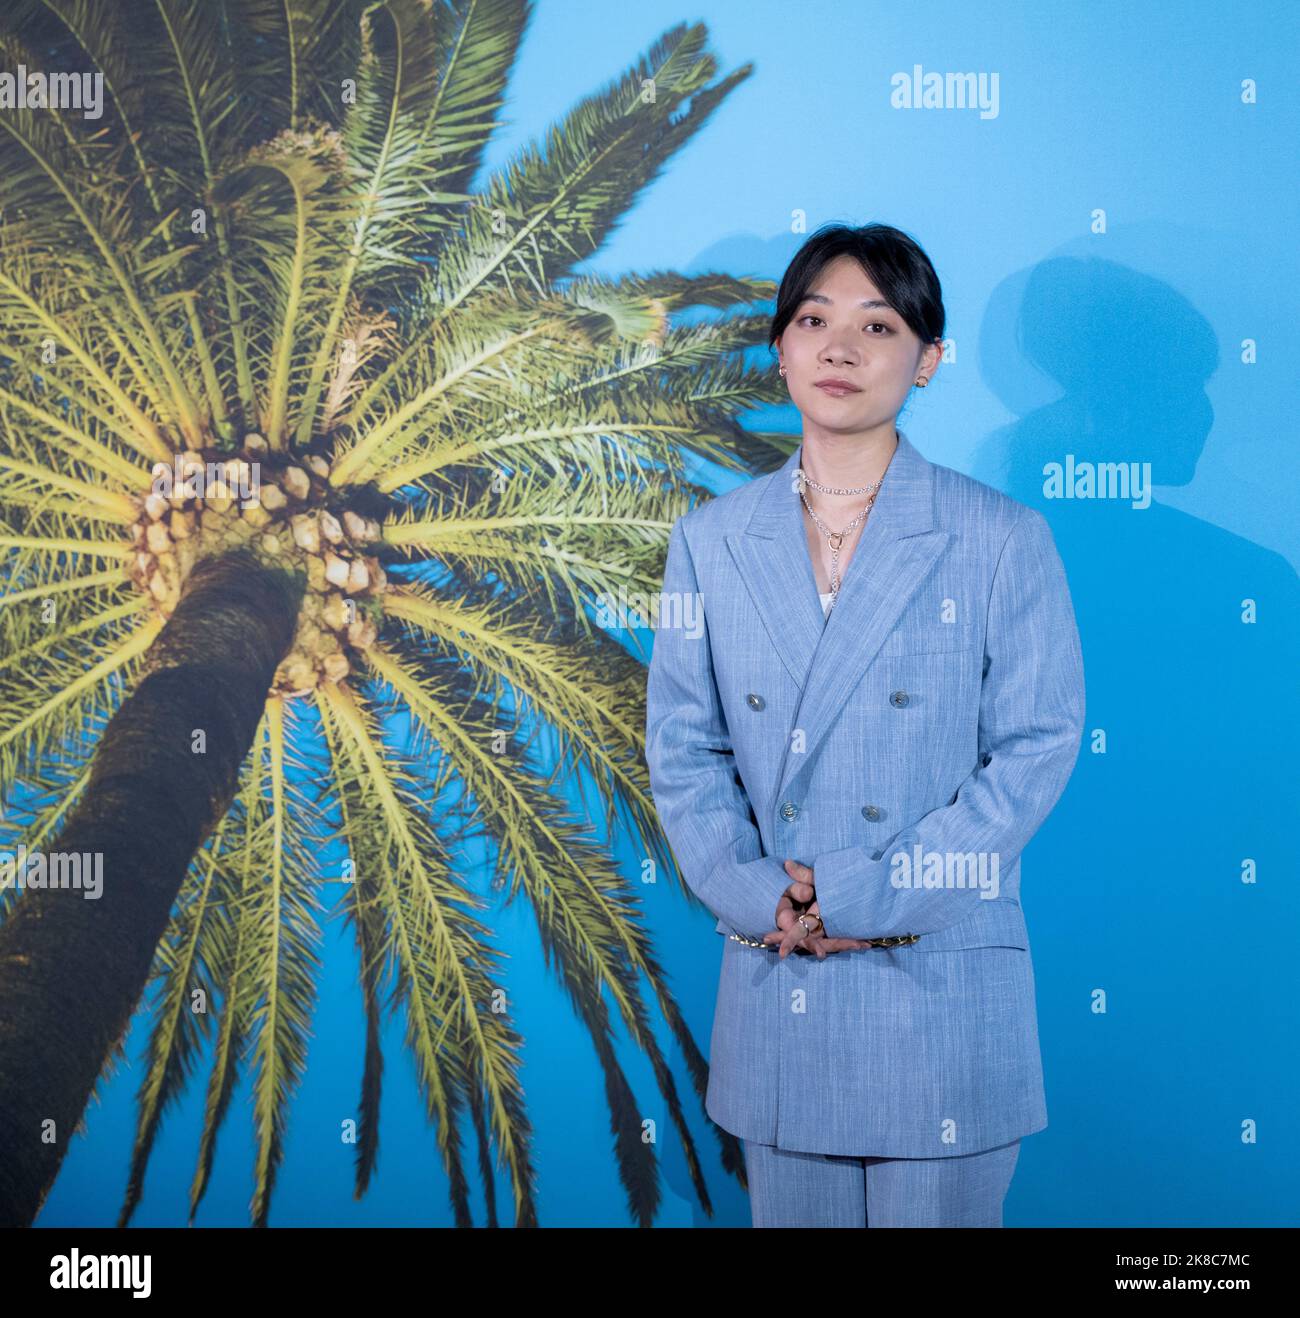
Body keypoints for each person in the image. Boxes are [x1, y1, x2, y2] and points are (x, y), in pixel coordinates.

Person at [644, 222, 1086, 1227]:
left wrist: (853, 893)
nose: (839, 348)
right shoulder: (708, 541)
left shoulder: (1000, 537)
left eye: (877, 326)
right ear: (780, 349)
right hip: (780, 968)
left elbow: (1035, 746)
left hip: (936, 981)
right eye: (813, 321)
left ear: (927, 360)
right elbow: (682, 743)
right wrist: (762, 894)